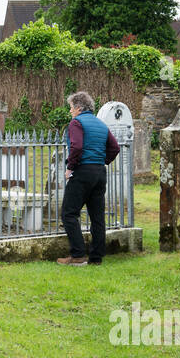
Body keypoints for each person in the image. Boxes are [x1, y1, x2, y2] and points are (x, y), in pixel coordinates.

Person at [57, 91, 119, 266]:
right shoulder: (101, 124)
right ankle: (96, 257)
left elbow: (76, 147)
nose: (70, 111)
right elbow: (114, 148)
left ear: (78, 108)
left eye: (71, 108)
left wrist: (70, 168)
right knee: (97, 217)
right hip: (99, 173)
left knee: (69, 213)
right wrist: (101, 161)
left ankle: (77, 256)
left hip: (83, 171)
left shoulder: (76, 123)